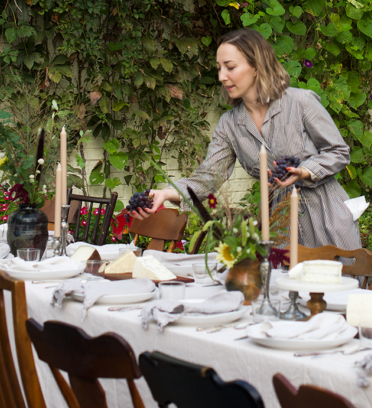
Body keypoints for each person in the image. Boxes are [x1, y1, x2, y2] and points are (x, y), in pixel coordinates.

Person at [136, 28, 360, 249]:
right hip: (279, 225)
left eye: (230, 67)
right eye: (219, 68)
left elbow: (338, 151)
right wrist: (166, 192)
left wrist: (305, 170)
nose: (222, 76)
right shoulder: (230, 124)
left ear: (256, 67)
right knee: (283, 284)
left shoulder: (301, 103)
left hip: (327, 218)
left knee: (337, 283)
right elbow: (208, 179)